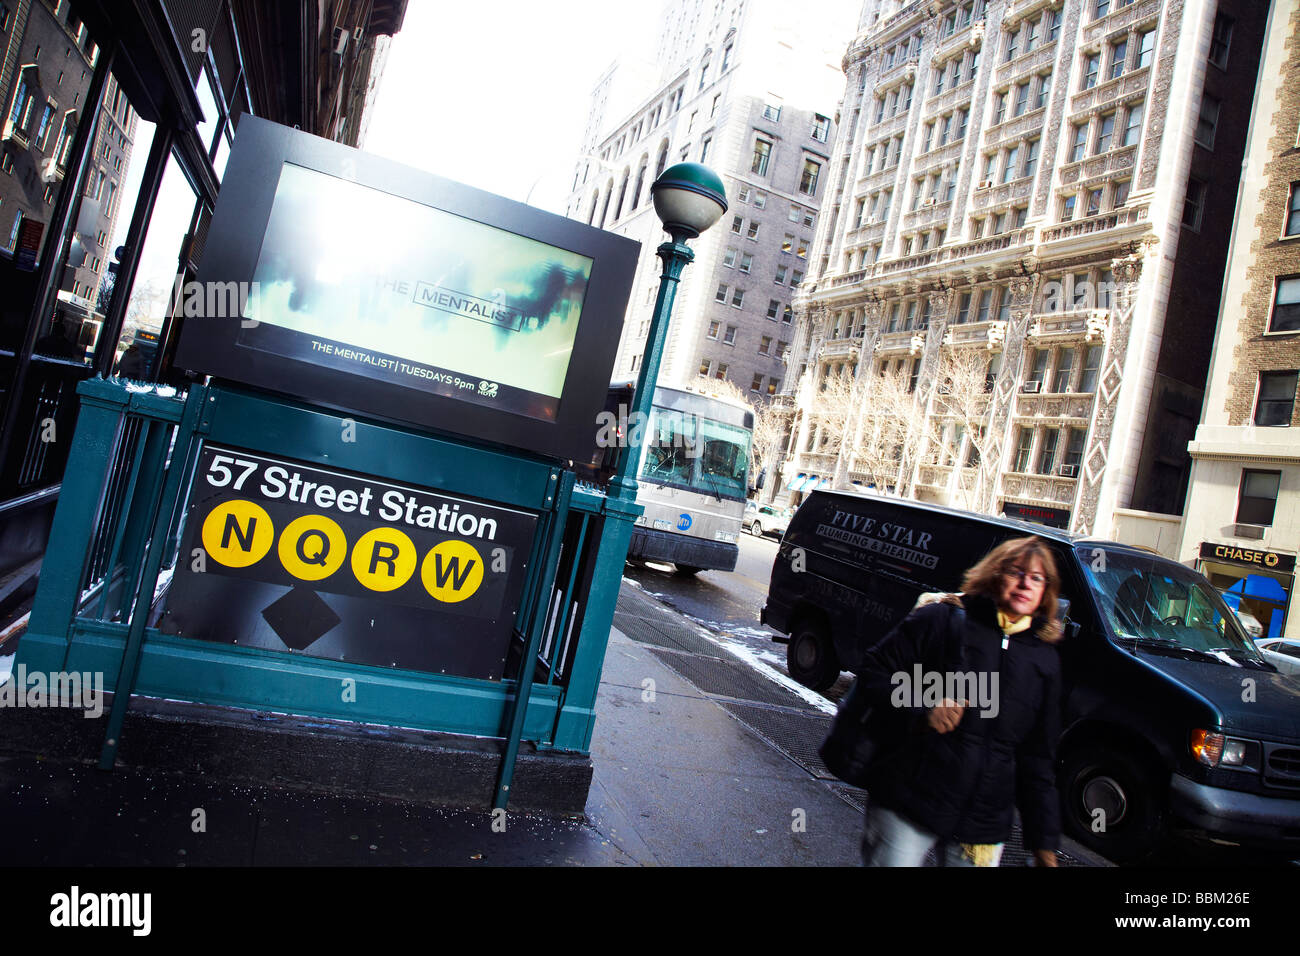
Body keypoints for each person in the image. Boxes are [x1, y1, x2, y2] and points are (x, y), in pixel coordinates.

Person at [856, 535, 1063, 867]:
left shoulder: (1044, 661)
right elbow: (873, 671)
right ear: (995, 574)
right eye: (1016, 572)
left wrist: (1044, 843)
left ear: (1046, 591)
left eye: (1037, 577)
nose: (1025, 583)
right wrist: (922, 711)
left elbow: (1038, 758)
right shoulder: (943, 619)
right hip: (908, 800)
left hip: (981, 824)